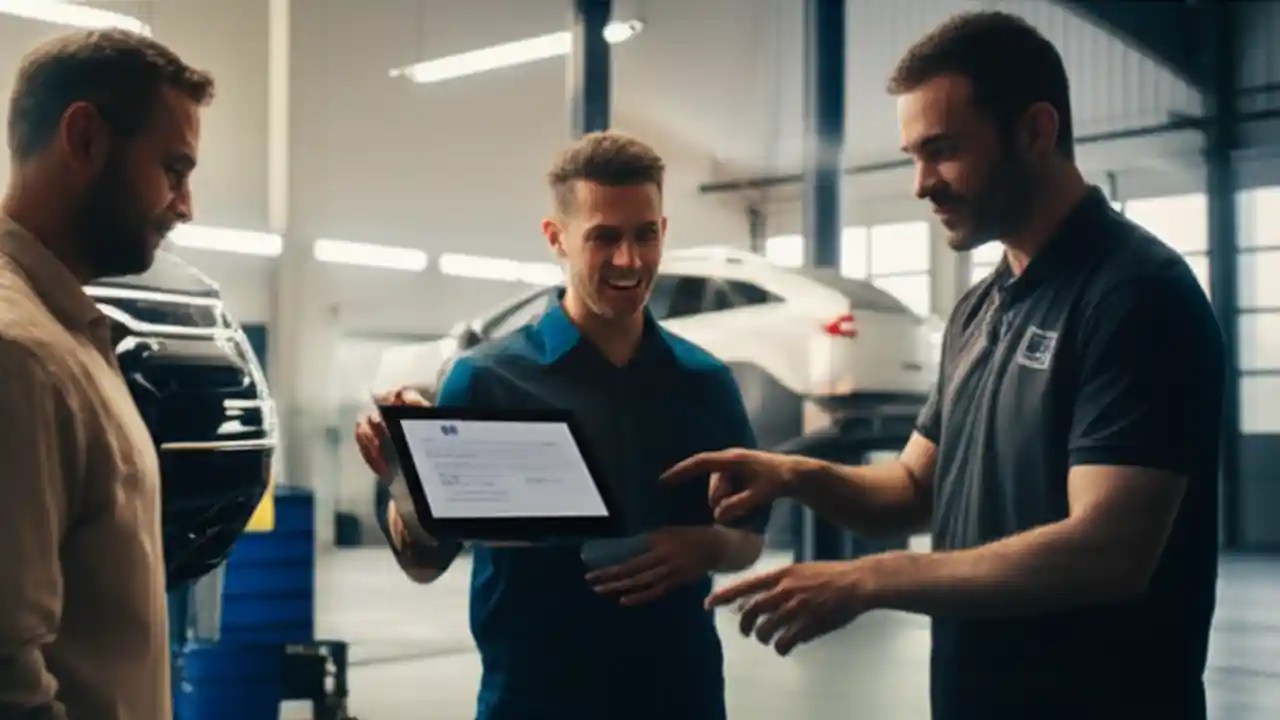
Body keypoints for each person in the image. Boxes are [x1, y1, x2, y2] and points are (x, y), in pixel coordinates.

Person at [663, 11, 1225, 720]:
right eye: (911, 156)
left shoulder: (1135, 293)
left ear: (1035, 130)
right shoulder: (979, 310)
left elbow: (1108, 549)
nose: (920, 183)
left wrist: (874, 578)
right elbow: (910, 488)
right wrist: (793, 473)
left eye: (943, 150)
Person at [354, 131, 771, 719]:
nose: (629, 261)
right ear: (557, 238)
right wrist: (409, 483)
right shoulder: (486, 381)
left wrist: (703, 545)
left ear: (663, 231)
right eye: (604, 238)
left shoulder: (706, 382)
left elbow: (748, 539)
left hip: (680, 697)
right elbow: (425, 563)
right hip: (533, 701)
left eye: (644, 235)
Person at [0, 29, 214, 719]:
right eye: (174, 170)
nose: (185, 205)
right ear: (86, 139)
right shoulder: (21, 355)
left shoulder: (66, 334)